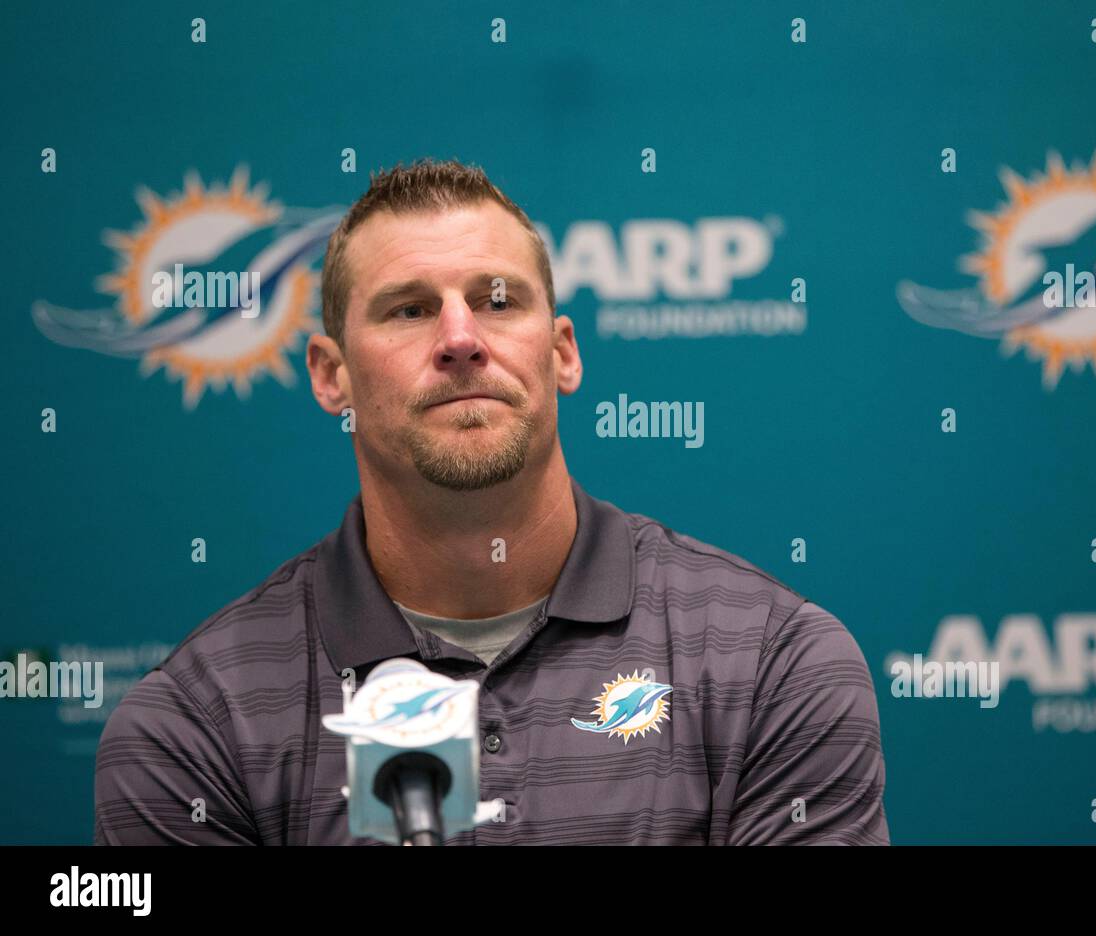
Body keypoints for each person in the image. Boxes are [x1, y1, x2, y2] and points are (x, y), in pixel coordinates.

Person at [93, 159, 889, 845]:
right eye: (409, 309)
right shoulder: (196, 723)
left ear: (563, 352)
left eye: (499, 301)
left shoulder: (772, 662)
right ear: (331, 375)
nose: (461, 337)